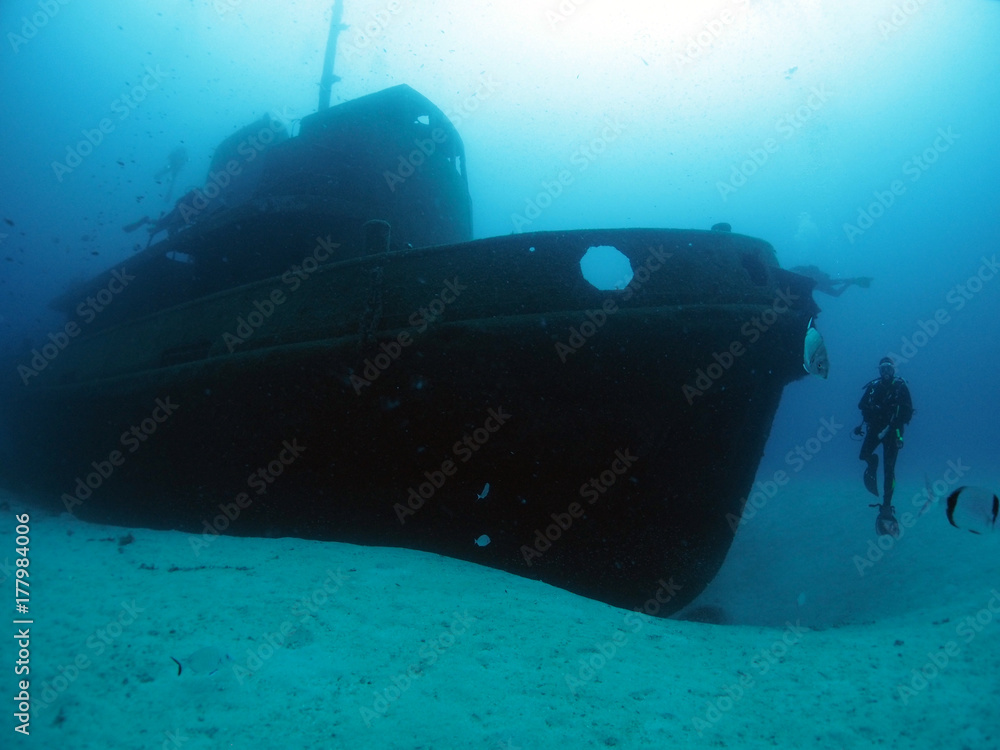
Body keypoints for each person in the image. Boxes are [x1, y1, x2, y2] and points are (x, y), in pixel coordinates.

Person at [854, 357, 914, 536]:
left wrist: (895, 418)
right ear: (879, 371)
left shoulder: (900, 387)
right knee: (863, 454)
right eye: (882, 369)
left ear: (893, 370)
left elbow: (908, 411)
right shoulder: (873, 387)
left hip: (892, 432)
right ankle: (873, 462)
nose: (885, 373)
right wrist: (875, 410)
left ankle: (886, 506)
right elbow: (861, 405)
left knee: (889, 469)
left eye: (888, 369)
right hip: (875, 430)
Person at [789, 265, 873, 297]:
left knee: (832, 285)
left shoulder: (797, 272)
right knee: (833, 287)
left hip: (817, 282)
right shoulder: (798, 272)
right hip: (817, 283)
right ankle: (852, 281)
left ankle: (851, 281)